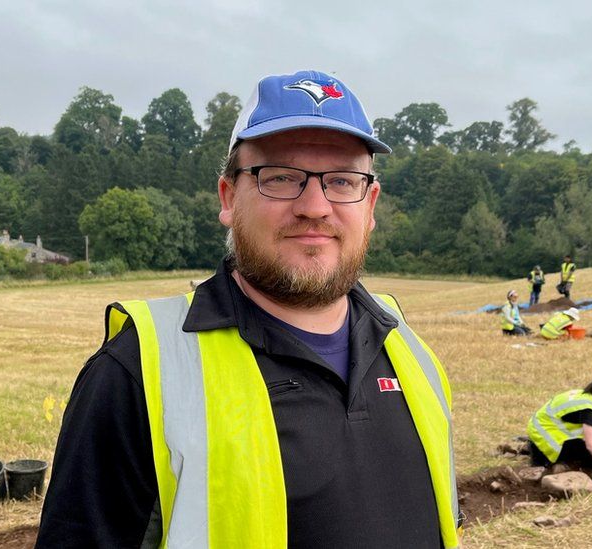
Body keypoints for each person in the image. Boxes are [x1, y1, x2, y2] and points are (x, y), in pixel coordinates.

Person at [36, 71, 460, 548]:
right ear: (228, 197)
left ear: (371, 203)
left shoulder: (410, 349)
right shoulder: (136, 373)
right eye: (280, 177)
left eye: (342, 180)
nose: (315, 207)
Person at [527, 381, 592, 482]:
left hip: (543, 424)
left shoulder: (589, 397)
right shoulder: (589, 411)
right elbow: (591, 446)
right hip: (542, 433)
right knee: (587, 452)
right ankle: (557, 463)